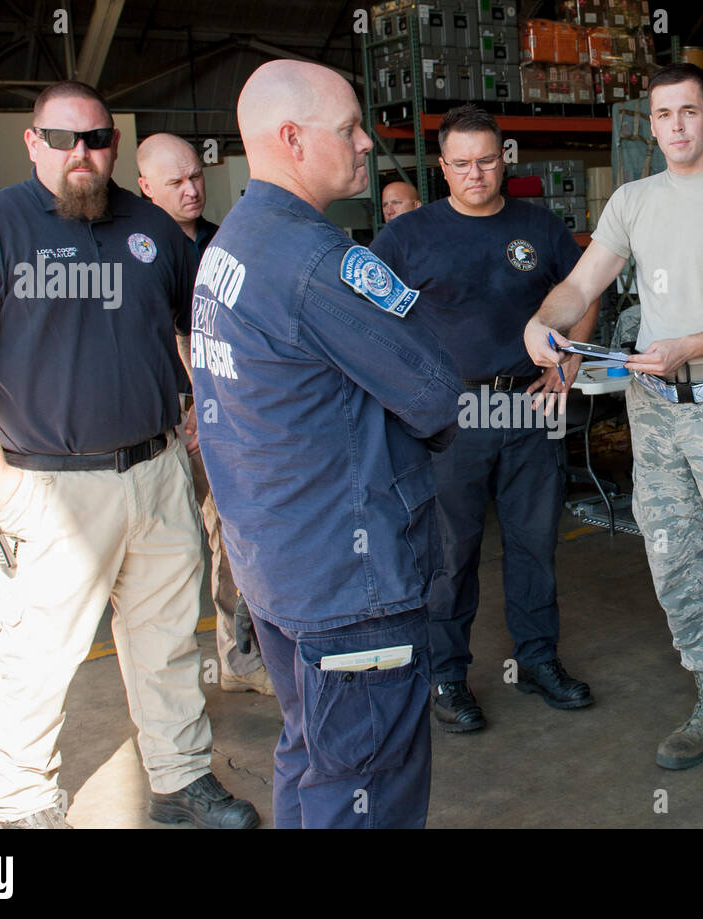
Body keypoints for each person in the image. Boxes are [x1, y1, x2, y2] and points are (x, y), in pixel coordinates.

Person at [0, 80, 258, 829]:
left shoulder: (153, 229)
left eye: (97, 138)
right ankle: (24, 805)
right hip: (49, 486)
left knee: (167, 642)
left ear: (115, 147)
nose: (83, 153)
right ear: (33, 142)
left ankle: (178, 780)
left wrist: (203, 400)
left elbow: (195, 322)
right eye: (64, 138)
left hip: (157, 471)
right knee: (40, 661)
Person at [191, 60, 462, 829]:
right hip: (352, 582)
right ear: (290, 139)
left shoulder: (232, 244)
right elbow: (435, 391)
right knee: (366, 782)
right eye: (347, 128)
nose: (367, 143)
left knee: (315, 756)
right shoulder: (318, 263)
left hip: (281, 568)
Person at [523, 63, 703, 781]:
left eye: (688, 111)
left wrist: (689, 346)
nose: (676, 126)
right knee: (675, 557)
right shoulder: (633, 200)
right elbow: (582, 284)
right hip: (653, 411)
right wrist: (544, 324)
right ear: (651, 126)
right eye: (662, 115)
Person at [371, 105, 599, 733]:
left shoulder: (538, 225)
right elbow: (366, 320)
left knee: (534, 544)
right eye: (462, 163)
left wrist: (568, 363)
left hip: (529, 404)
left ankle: (537, 660)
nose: (477, 173)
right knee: (451, 553)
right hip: (452, 414)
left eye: (488, 160)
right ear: (442, 167)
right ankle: (447, 676)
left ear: (506, 159)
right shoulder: (408, 236)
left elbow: (587, 286)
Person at [137, 132, 271, 695]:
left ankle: (239, 663)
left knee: (232, 534)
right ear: (145, 187)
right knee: (162, 553)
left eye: (197, 176)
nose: (193, 190)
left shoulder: (225, 241)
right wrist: (200, 399)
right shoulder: (136, 245)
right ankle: (164, 691)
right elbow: (169, 331)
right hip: (160, 413)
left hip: (225, 410)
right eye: (176, 182)